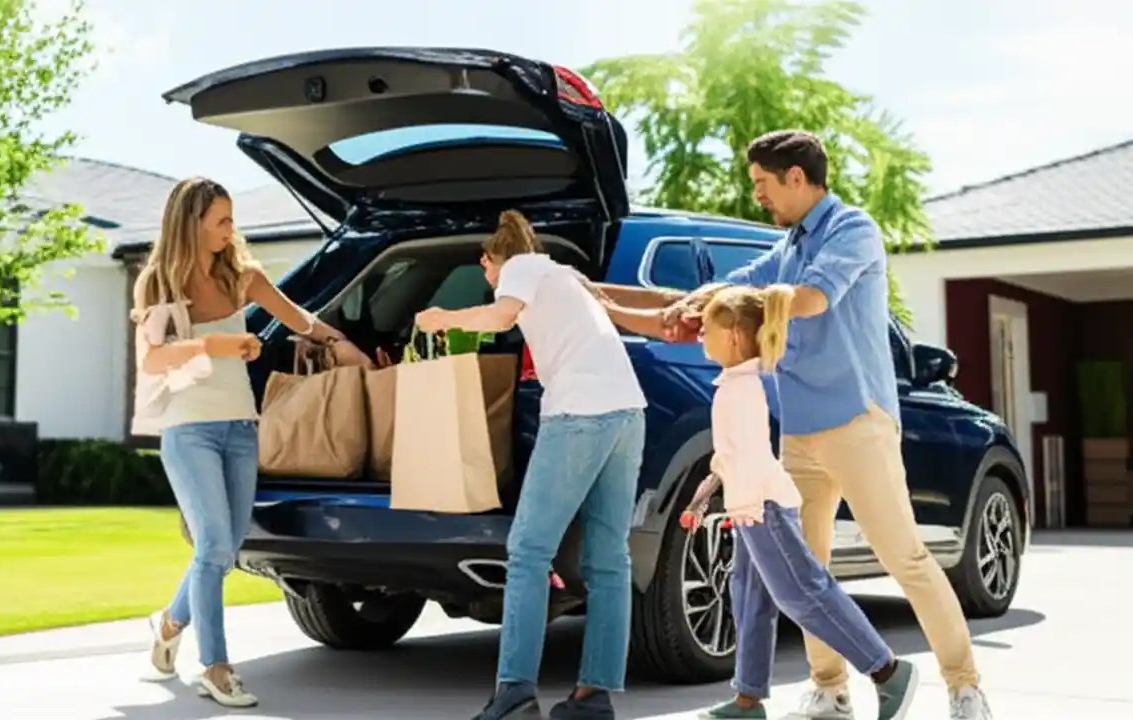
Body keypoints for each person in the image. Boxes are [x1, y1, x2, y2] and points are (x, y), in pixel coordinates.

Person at [602, 130, 991, 720]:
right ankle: (830, 689)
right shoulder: (788, 245)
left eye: (763, 184)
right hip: (800, 433)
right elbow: (734, 284)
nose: (758, 195)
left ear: (797, 178)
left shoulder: (852, 230)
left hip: (857, 422)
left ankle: (965, 687)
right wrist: (677, 300)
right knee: (806, 570)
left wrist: (734, 301)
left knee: (905, 557)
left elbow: (811, 298)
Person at [133, 177, 369, 707]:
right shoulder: (158, 284)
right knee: (214, 545)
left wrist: (342, 345)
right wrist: (216, 344)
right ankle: (216, 669)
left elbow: (299, 318)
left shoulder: (243, 277)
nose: (230, 229)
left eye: (231, 218)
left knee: (226, 547)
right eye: (220, 220)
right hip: (188, 431)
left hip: (241, 429)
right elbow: (153, 358)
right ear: (191, 223)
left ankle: (169, 623)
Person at [415, 209, 647, 720]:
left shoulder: (519, 268)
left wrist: (444, 318)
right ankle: (594, 696)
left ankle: (515, 691)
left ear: (489, 260)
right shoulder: (563, 274)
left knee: (528, 551)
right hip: (629, 413)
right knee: (609, 559)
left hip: (579, 413)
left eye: (486, 270)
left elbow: (500, 318)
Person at [680, 283, 917, 720]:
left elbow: (751, 457)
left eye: (707, 329)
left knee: (803, 593)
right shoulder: (736, 384)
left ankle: (887, 671)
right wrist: (703, 501)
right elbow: (728, 458)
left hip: (763, 508)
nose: (700, 336)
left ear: (735, 335)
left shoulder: (745, 389)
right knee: (749, 597)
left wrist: (748, 508)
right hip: (751, 507)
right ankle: (748, 699)